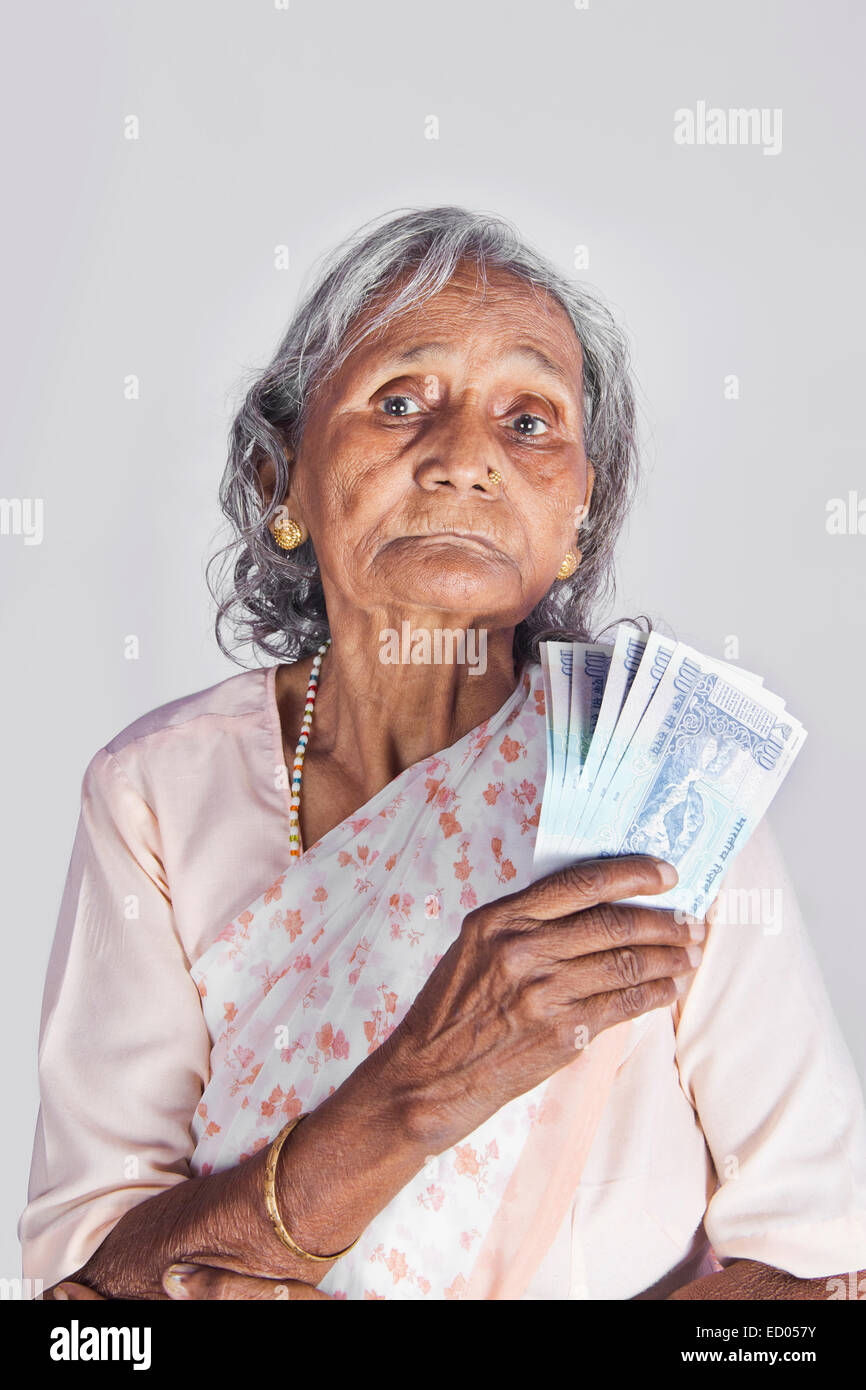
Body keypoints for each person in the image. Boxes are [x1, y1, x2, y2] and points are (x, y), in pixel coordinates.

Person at [20, 207, 866, 1300]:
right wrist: (417, 1089)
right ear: (282, 477)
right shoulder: (158, 794)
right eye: (400, 401)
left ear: (574, 518)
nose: (464, 459)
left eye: (528, 422)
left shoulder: (661, 774)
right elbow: (84, 1308)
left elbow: (817, 1277)